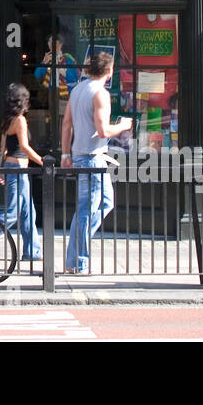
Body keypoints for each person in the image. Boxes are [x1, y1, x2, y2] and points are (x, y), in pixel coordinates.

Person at [61, 52, 132, 274]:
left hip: (86, 156)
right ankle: (77, 262)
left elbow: (66, 125)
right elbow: (103, 130)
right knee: (86, 211)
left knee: (105, 203)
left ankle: (75, 253)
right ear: (109, 71)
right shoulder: (100, 94)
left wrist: (65, 155)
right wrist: (123, 126)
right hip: (92, 158)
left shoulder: (77, 90)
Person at [0, 83, 43, 261]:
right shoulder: (20, 120)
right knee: (12, 212)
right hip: (18, 170)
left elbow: (3, 150)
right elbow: (24, 147)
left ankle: (32, 251)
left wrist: (0, 170)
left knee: (28, 212)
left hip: (12, 169)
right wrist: (43, 162)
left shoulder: (7, 120)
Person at [34, 34, 79, 99]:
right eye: (49, 41)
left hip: (66, 92)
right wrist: (44, 63)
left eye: (53, 42)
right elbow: (37, 75)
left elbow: (75, 78)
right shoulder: (48, 58)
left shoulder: (68, 59)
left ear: (61, 44)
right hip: (52, 92)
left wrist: (65, 73)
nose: (50, 44)